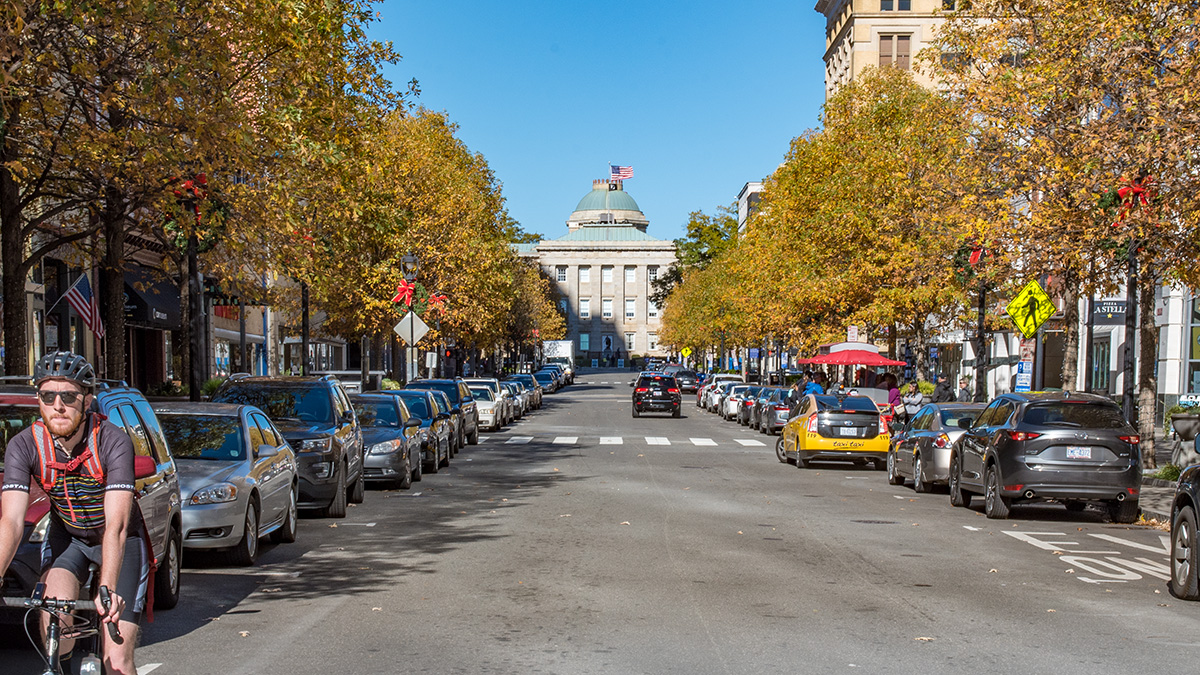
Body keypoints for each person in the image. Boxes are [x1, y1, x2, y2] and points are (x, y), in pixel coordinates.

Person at [0, 352, 146, 675]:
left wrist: (106, 587)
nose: (58, 406)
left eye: (68, 396)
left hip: (120, 541)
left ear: (87, 399)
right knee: (54, 618)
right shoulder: (24, 446)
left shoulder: (113, 442)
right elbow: (10, 522)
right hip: (69, 539)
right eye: (48, 396)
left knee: (117, 661)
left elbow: (117, 527)